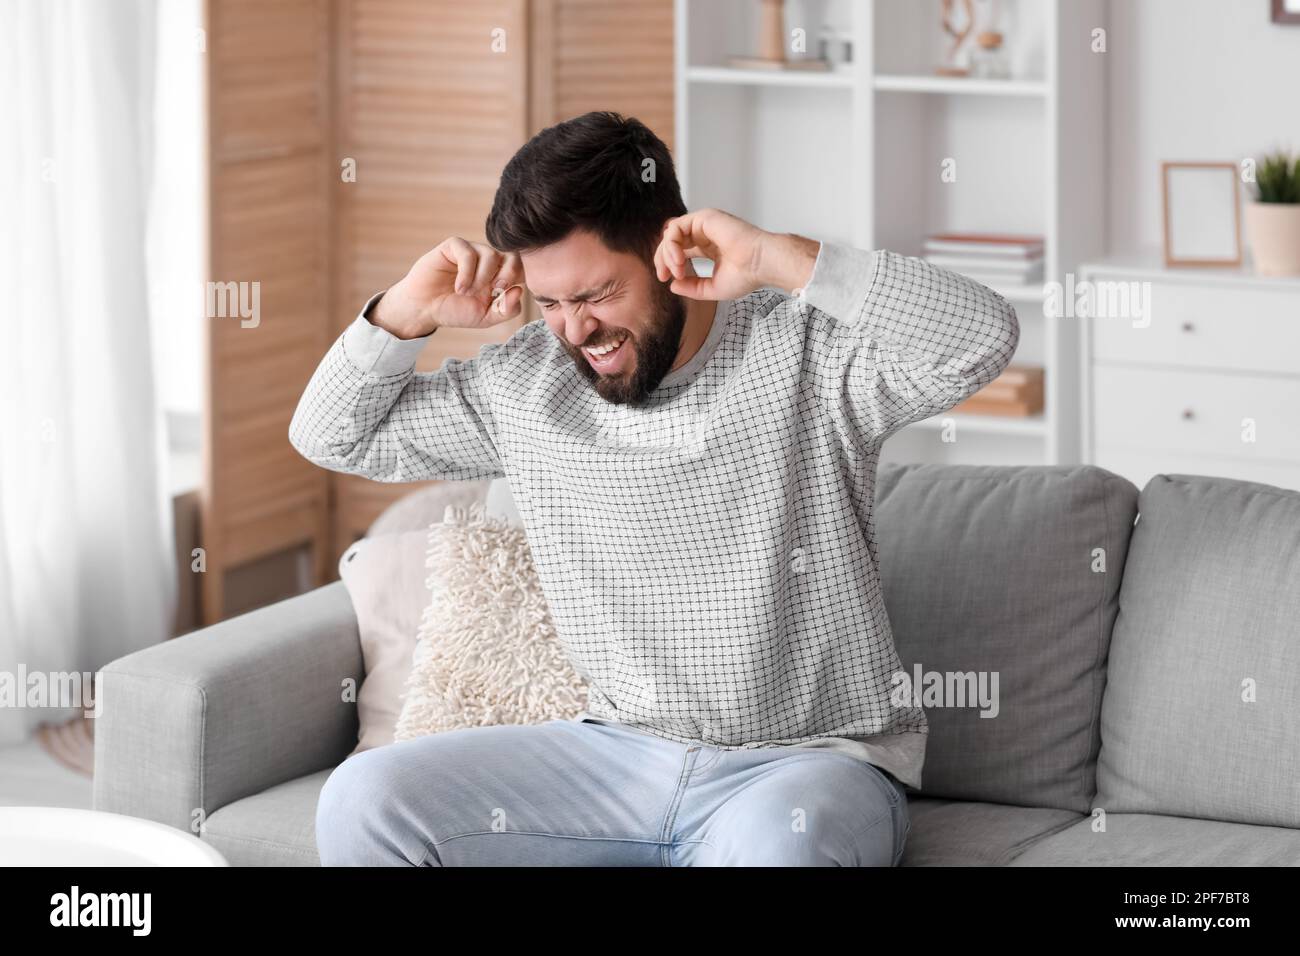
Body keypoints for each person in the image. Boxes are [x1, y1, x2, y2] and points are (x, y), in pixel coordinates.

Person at [291, 111, 1019, 866]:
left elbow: (981, 337)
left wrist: (780, 257)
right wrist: (403, 313)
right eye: (551, 303)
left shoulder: (807, 357)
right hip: (612, 760)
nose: (576, 331)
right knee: (364, 798)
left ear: (668, 245)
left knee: (778, 848)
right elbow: (332, 436)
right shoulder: (523, 388)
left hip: (803, 766)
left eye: (598, 292)